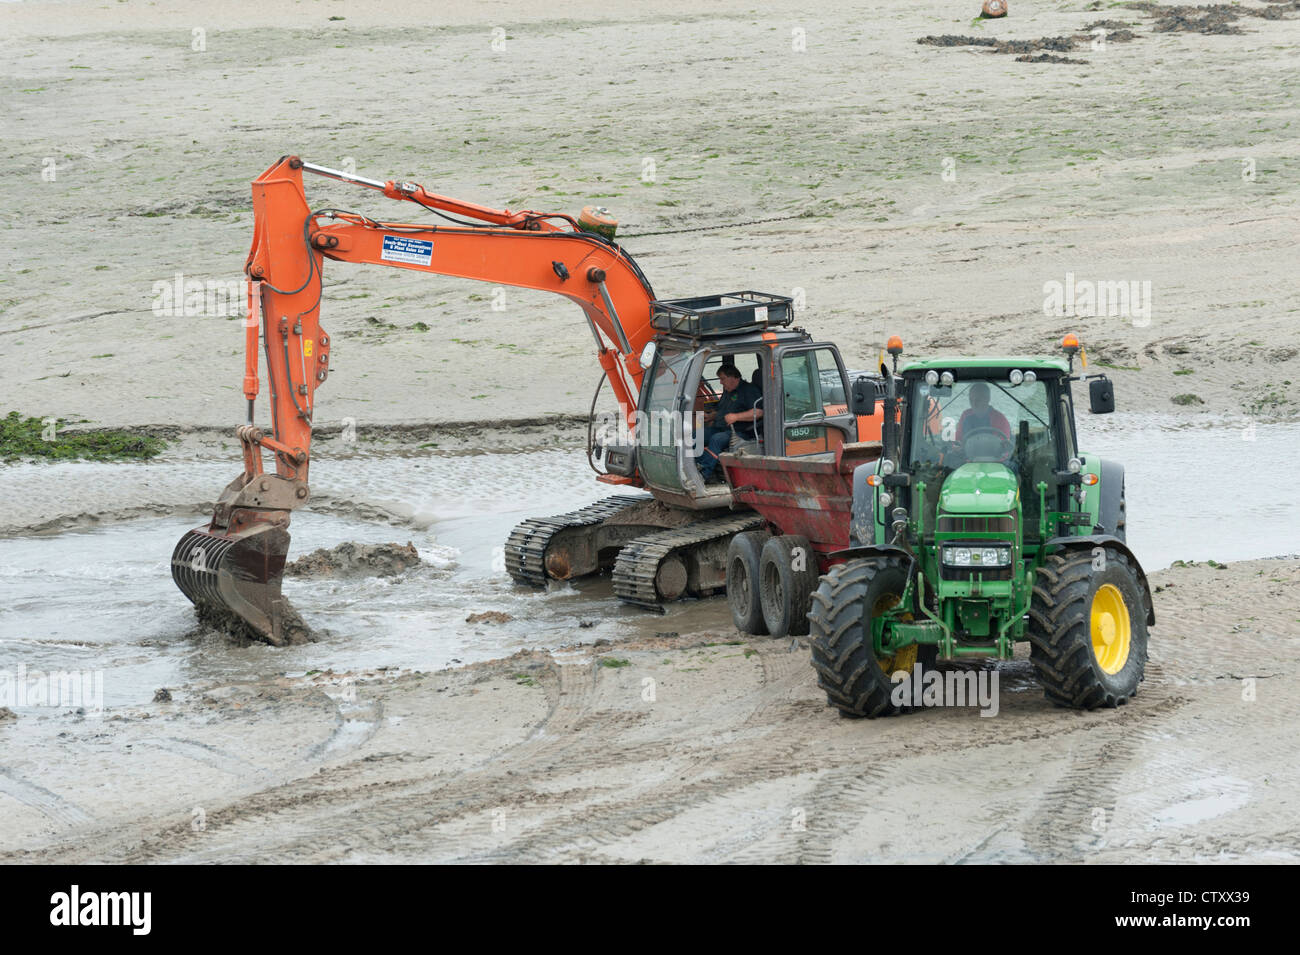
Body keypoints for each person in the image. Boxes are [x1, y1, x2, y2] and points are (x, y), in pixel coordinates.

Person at [697, 363, 762, 482]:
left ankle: (703, 474)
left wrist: (736, 417)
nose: (721, 382)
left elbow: (758, 412)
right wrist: (712, 416)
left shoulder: (749, 390)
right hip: (721, 427)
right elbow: (723, 411)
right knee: (695, 435)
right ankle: (692, 467)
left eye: (722, 379)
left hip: (741, 432)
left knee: (717, 439)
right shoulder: (728, 391)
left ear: (733, 377)